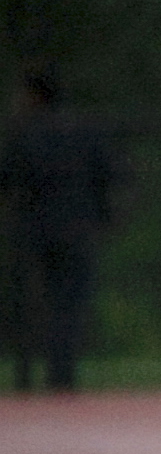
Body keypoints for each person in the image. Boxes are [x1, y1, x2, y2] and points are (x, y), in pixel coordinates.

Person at [1, 64, 116, 393]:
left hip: (33, 231)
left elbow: (6, 179)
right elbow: (110, 176)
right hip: (78, 230)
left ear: (35, 95)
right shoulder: (84, 130)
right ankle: (61, 378)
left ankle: (25, 377)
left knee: (29, 304)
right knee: (69, 306)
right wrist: (104, 217)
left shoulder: (25, 133)